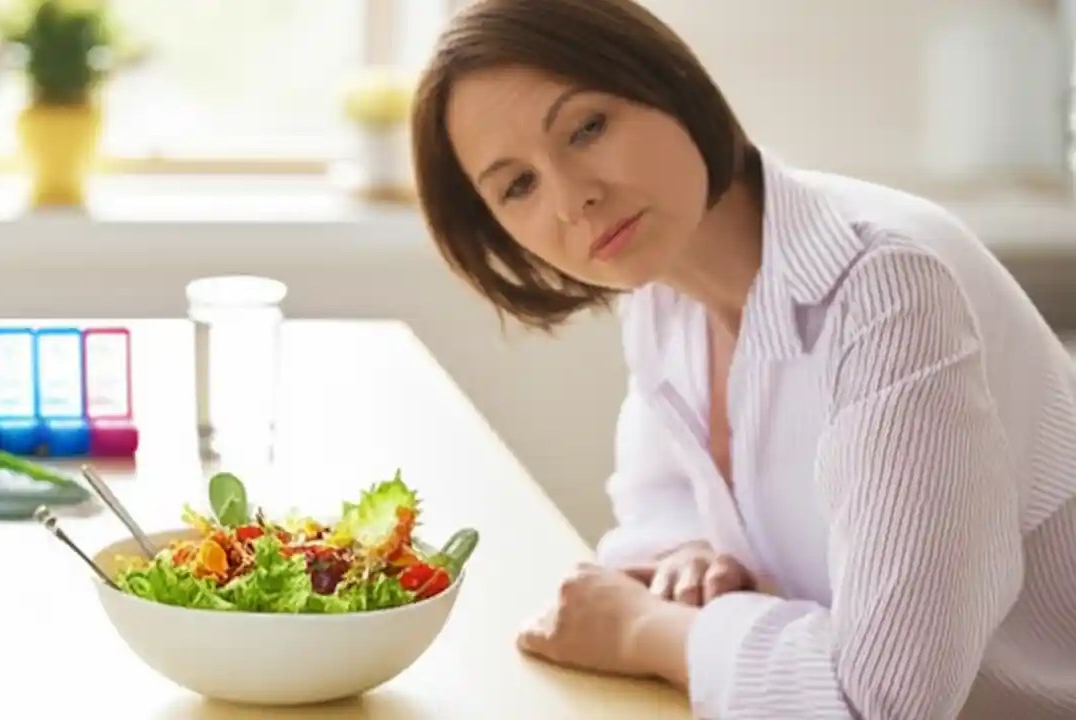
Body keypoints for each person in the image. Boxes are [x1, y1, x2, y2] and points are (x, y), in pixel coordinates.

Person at [409, 0, 1076, 717]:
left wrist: (645, 630)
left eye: (588, 127)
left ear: (665, 81)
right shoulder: (664, 298)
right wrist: (687, 558)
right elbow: (655, 500)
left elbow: (885, 702)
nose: (574, 200)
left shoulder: (888, 288)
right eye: (519, 186)